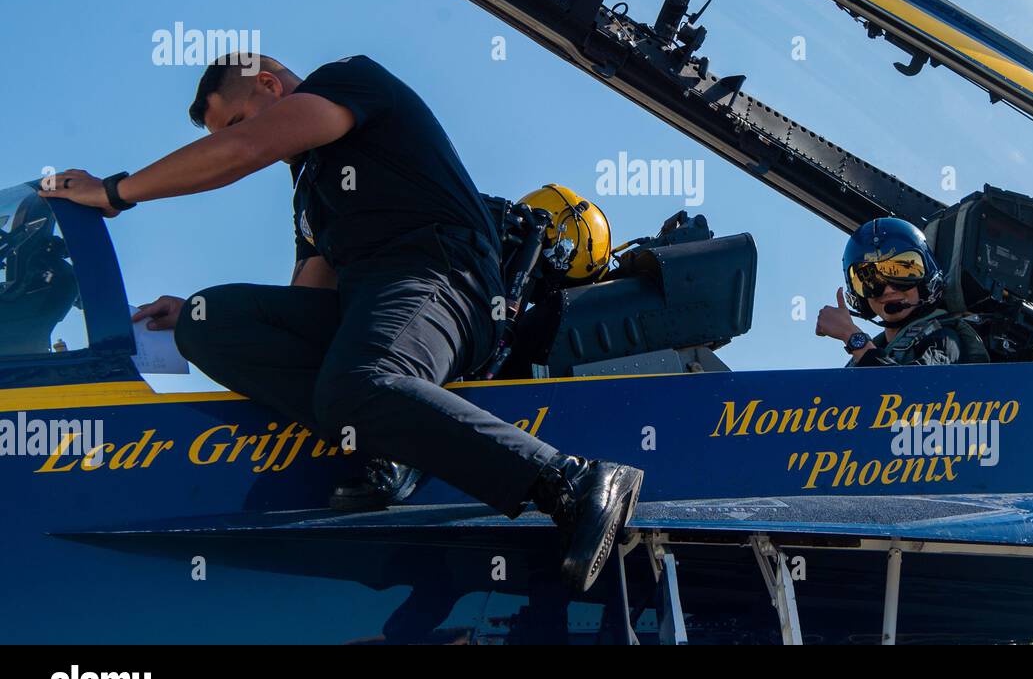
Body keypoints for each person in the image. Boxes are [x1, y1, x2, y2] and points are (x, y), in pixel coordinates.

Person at [42, 52, 642, 592]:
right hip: (369, 302)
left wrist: (117, 191)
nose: (239, 137)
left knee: (358, 384)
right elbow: (306, 296)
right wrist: (190, 317)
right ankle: (393, 432)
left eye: (235, 120)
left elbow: (243, 152)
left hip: (440, 279)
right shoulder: (312, 193)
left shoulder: (349, 82)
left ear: (271, 87)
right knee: (208, 320)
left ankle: (569, 481)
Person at [816, 217, 988, 367]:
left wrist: (852, 336)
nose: (889, 289)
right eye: (871, 281)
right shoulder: (875, 350)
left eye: (902, 273)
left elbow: (910, 393)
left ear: (925, 280)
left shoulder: (945, 339)